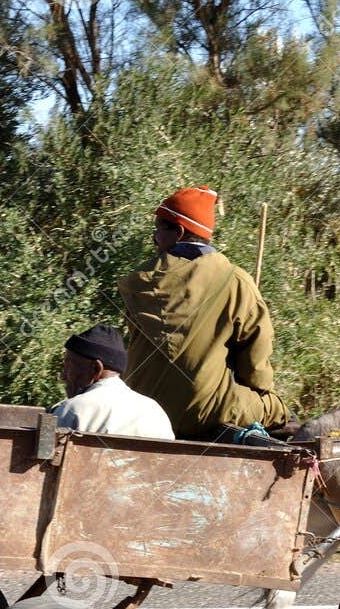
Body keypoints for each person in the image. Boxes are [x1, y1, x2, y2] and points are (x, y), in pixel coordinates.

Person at [119, 186, 290, 441]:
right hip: (206, 414)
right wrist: (257, 391)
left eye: (158, 230)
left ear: (177, 232)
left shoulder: (139, 281)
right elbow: (257, 366)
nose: (155, 238)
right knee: (276, 407)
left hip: (141, 408)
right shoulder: (235, 281)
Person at [49, 324, 175, 439]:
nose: (63, 377)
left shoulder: (72, 410)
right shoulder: (154, 411)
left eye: (68, 367)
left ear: (97, 368)